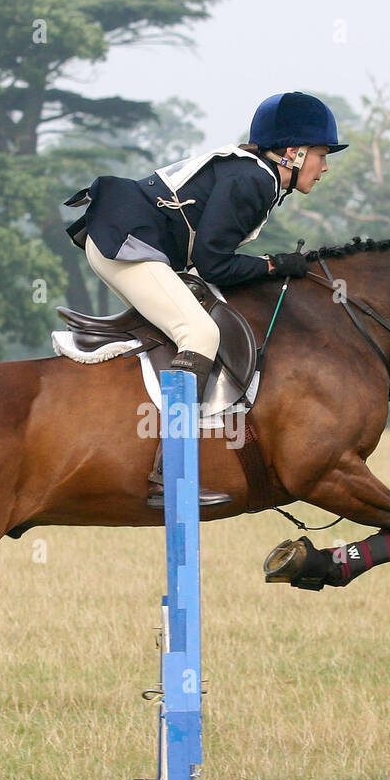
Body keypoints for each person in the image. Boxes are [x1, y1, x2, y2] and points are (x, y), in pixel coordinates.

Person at [63, 91, 346, 507]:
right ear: (294, 152)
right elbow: (214, 264)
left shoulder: (256, 175)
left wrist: (269, 266)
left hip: (137, 241)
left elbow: (206, 263)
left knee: (206, 312)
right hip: (128, 243)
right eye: (322, 154)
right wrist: (272, 265)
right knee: (199, 333)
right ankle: (169, 472)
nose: (325, 167)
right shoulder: (256, 179)